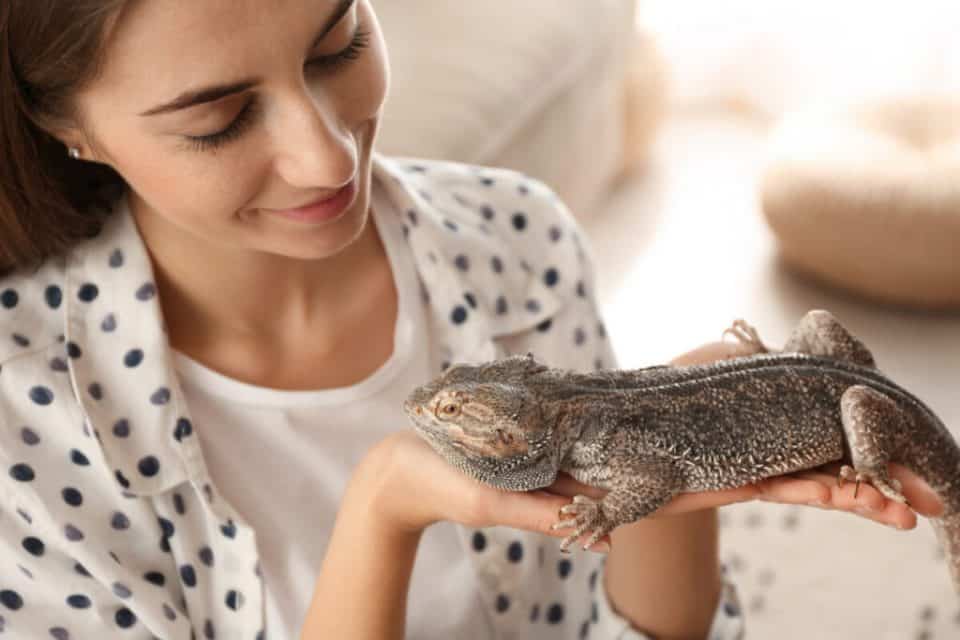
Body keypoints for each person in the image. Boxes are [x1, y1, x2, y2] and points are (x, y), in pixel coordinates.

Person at [0, 1, 943, 638]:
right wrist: (383, 509)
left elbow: (615, 618)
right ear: (68, 126)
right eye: (219, 119)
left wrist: (687, 455)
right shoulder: (23, 420)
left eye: (340, 45)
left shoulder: (515, 237)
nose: (329, 161)